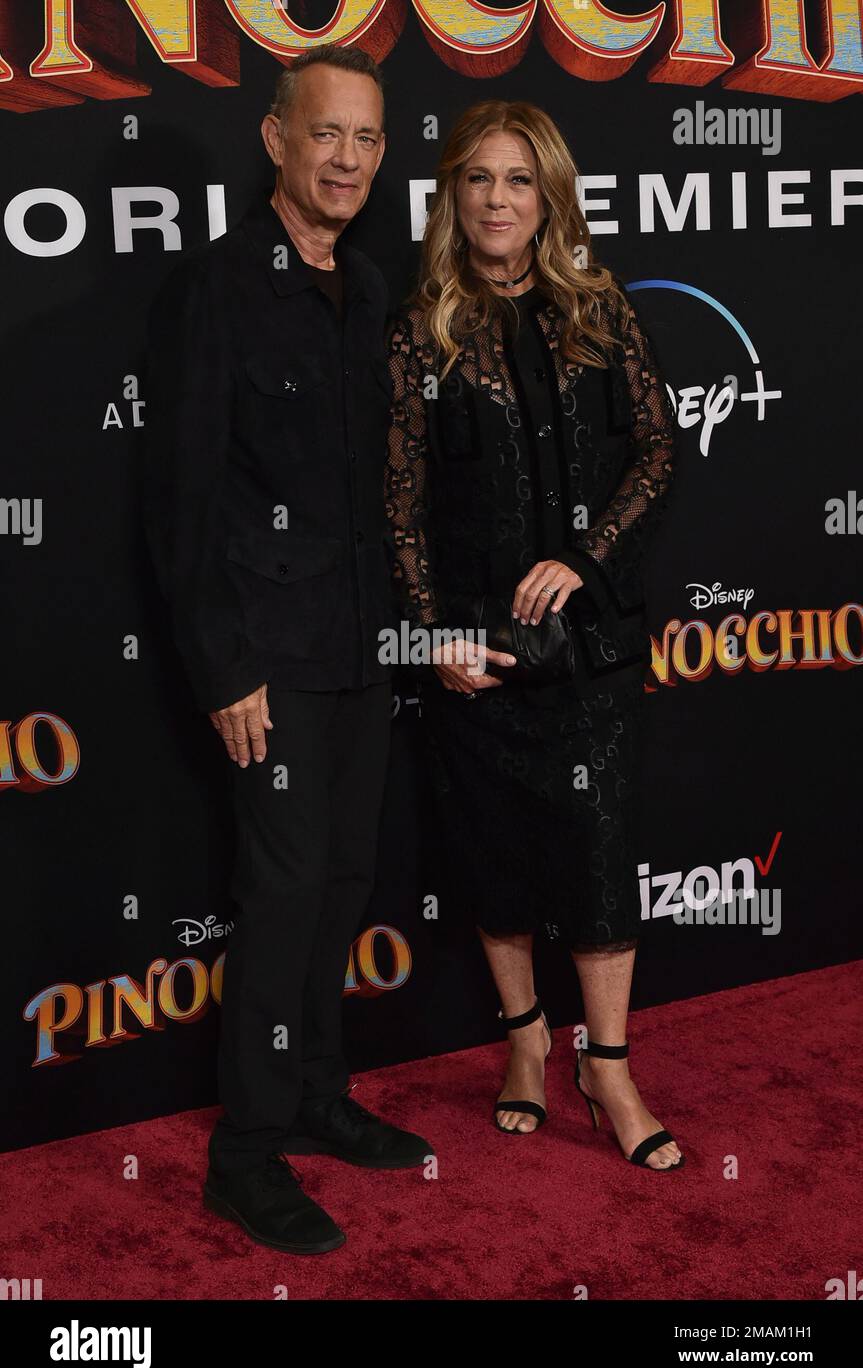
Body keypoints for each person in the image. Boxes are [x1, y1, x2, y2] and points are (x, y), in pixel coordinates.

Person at [142, 44, 432, 1257]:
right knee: (278, 899)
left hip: (362, 649)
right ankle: (245, 1154)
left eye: (367, 139)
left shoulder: (369, 289)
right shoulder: (215, 289)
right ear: (275, 140)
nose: (348, 160)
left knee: (344, 884)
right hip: (266, 656)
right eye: (327, 135)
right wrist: (225, 670)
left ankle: (317, 1094)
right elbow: (179, 498)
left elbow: (387, 493)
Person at [385, 100, 684, 1170]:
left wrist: (587, 560)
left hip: (590, 650)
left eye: (517, 180)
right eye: (477, 179)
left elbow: (656, 452)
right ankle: (523, 1050)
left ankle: (605, 1066)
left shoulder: (598, 307)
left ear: (547, 195)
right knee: (494, 858)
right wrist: (429, 639)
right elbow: (399, 500)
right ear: (451, 195)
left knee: (600, 859)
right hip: (476, 653)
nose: (497, 200)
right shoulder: (422, 325)